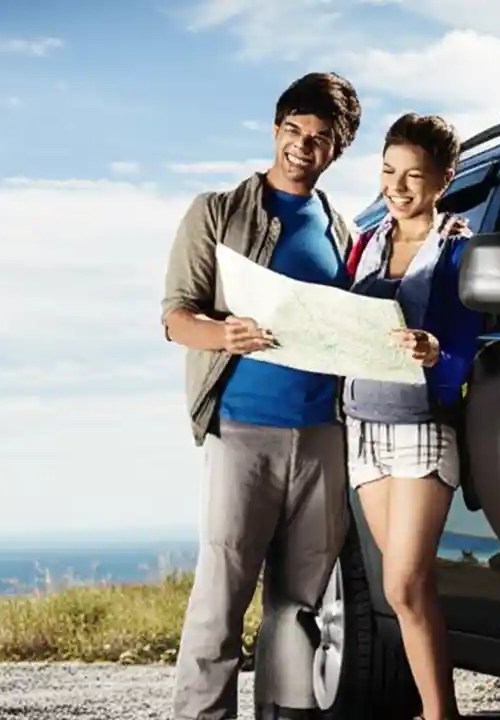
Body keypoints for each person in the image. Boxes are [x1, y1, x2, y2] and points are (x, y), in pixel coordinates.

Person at [161, 71, 362, 720]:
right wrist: (223, 332)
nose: (303, 146)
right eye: (294, 131)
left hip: (324, 438)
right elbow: (174, 319)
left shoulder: (344, 231)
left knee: (298, 608)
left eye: (321, 138)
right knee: (221, 598)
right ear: (276, 131)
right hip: (243, 431)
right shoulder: (215, 213)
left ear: (337, 151)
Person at [342, 112, 484, 720]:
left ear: (443, 178)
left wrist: (437, 353)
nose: (397, 187)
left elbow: (470, 343)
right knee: (407, 589)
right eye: (387, 172)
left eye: (413, 175)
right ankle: (438, 712)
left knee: (403, 583)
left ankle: (437, 715)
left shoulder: (457, 245)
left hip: (421, 427)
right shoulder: (364, 242)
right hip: (363, 425)